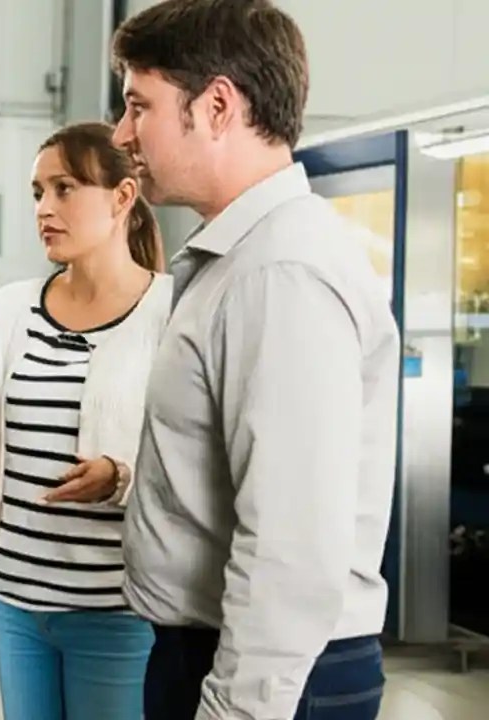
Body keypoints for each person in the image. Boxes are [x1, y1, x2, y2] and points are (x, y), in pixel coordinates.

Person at [109, 1, 401, 719]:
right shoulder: (242, 259)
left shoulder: (280, 274)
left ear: (216, 106)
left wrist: (237, 709)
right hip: (224, 654)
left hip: (265, 676)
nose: (122, 135)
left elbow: (290, 546)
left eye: (138, 106)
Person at [0, 122, 173, 720]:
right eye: (38, 193)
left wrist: (119, 476)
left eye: (65, 189)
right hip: (15, 602)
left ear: (123, 198)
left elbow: (189, 455)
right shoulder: (11, 308)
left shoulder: (171, 311)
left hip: (115, 608)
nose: (45, 208)